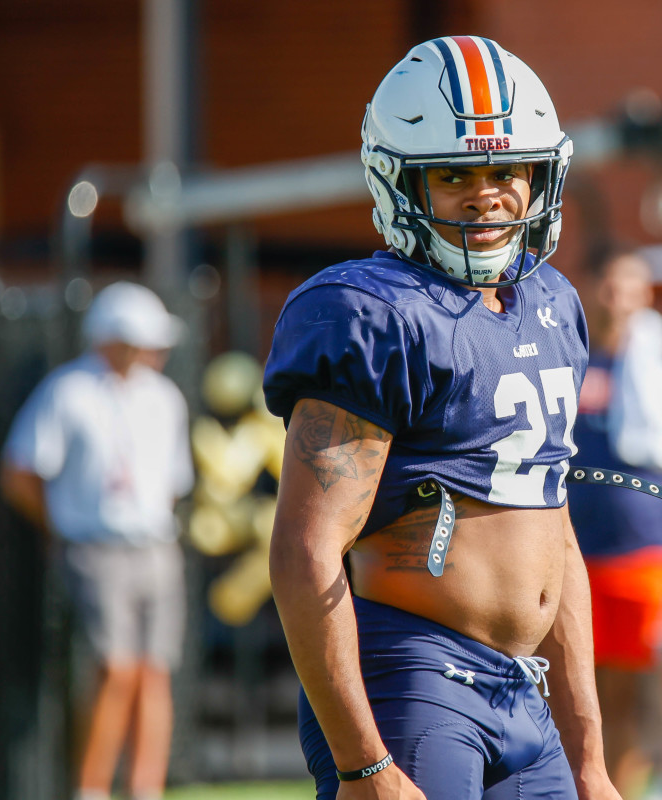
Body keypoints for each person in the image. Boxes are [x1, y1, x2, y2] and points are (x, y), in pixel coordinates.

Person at [264, 36, 623, 800]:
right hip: (414, 678)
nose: (486, 194)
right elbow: (305, 550)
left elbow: (555, 538)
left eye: (505, 171)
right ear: (398, 183)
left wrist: (591, 757)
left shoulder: (554, 304)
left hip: (521, 694)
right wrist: (364, 761)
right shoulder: (373, 312)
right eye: (453, 174)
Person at [0, 281, 193, 800]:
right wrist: (60, 526)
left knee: (154, 672)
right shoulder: (68, 391)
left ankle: (145, 789)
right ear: (111, 338)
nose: (154, 351)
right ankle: (92, 789)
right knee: (115, 669)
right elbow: (19, 473)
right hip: (95, 550)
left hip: (155, 547)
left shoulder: (164, 396)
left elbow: (173, 482)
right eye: (140, 340)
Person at [566, 248, 662, 798]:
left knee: (650, 687)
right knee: (584, 689)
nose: (621, 296)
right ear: (595, 289)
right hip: (577, 548)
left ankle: (644, 784)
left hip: (646, 548)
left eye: (632, 285)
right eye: (612, 284)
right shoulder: (570, 358)